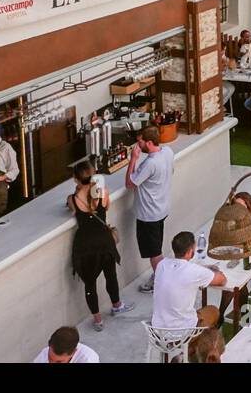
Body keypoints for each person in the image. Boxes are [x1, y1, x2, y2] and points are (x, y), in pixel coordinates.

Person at [67, 160, 132, 331]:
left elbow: (72, 210)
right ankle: (116, 305)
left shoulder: (73, 199)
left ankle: (97, 320)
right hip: (104, 242)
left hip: (85, 245)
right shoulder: (102, 193)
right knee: (111, 275)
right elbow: (107, 207)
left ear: (76, 179)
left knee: (90, 283)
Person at [126, 126, 173, 293]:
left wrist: (132, 159)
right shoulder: (167, 152)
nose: (138, 146)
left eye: (140, 142)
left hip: (149, 214)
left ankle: (162, 282)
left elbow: (130, 184)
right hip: (161, 208)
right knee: (157, 247)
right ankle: (159, 276)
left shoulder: (150, 163)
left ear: (149, 142)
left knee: (154, 253)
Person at [152, 231, 225, 332]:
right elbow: (222, 280)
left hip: (157, 330)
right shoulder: (194, 271)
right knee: (214, 311)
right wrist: (210, 272)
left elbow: (178, 275)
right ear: (190, 251)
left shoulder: (161, 265)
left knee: (196, 312)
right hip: (182, 333)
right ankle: (200, 343)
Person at [33, 326, 99, 363]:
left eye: (58, 362)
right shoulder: (45, 353)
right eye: (50, 358)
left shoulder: (89, 359)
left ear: (73, 353)